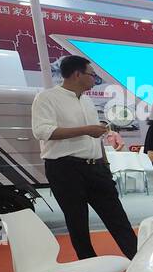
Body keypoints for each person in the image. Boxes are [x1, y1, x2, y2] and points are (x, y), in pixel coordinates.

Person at [30, 55, 138, 260]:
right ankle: (89, 266)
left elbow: (95, 136)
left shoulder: (87, 100)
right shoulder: (47, 98)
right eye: (92, 75)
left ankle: (137, 257)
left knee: (117, 216)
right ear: (77, 74)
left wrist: (104, 162)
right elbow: (42, 131)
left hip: (96, 167)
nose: (94, 79)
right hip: (65, 168)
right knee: (77, 220)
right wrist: (86, 130)